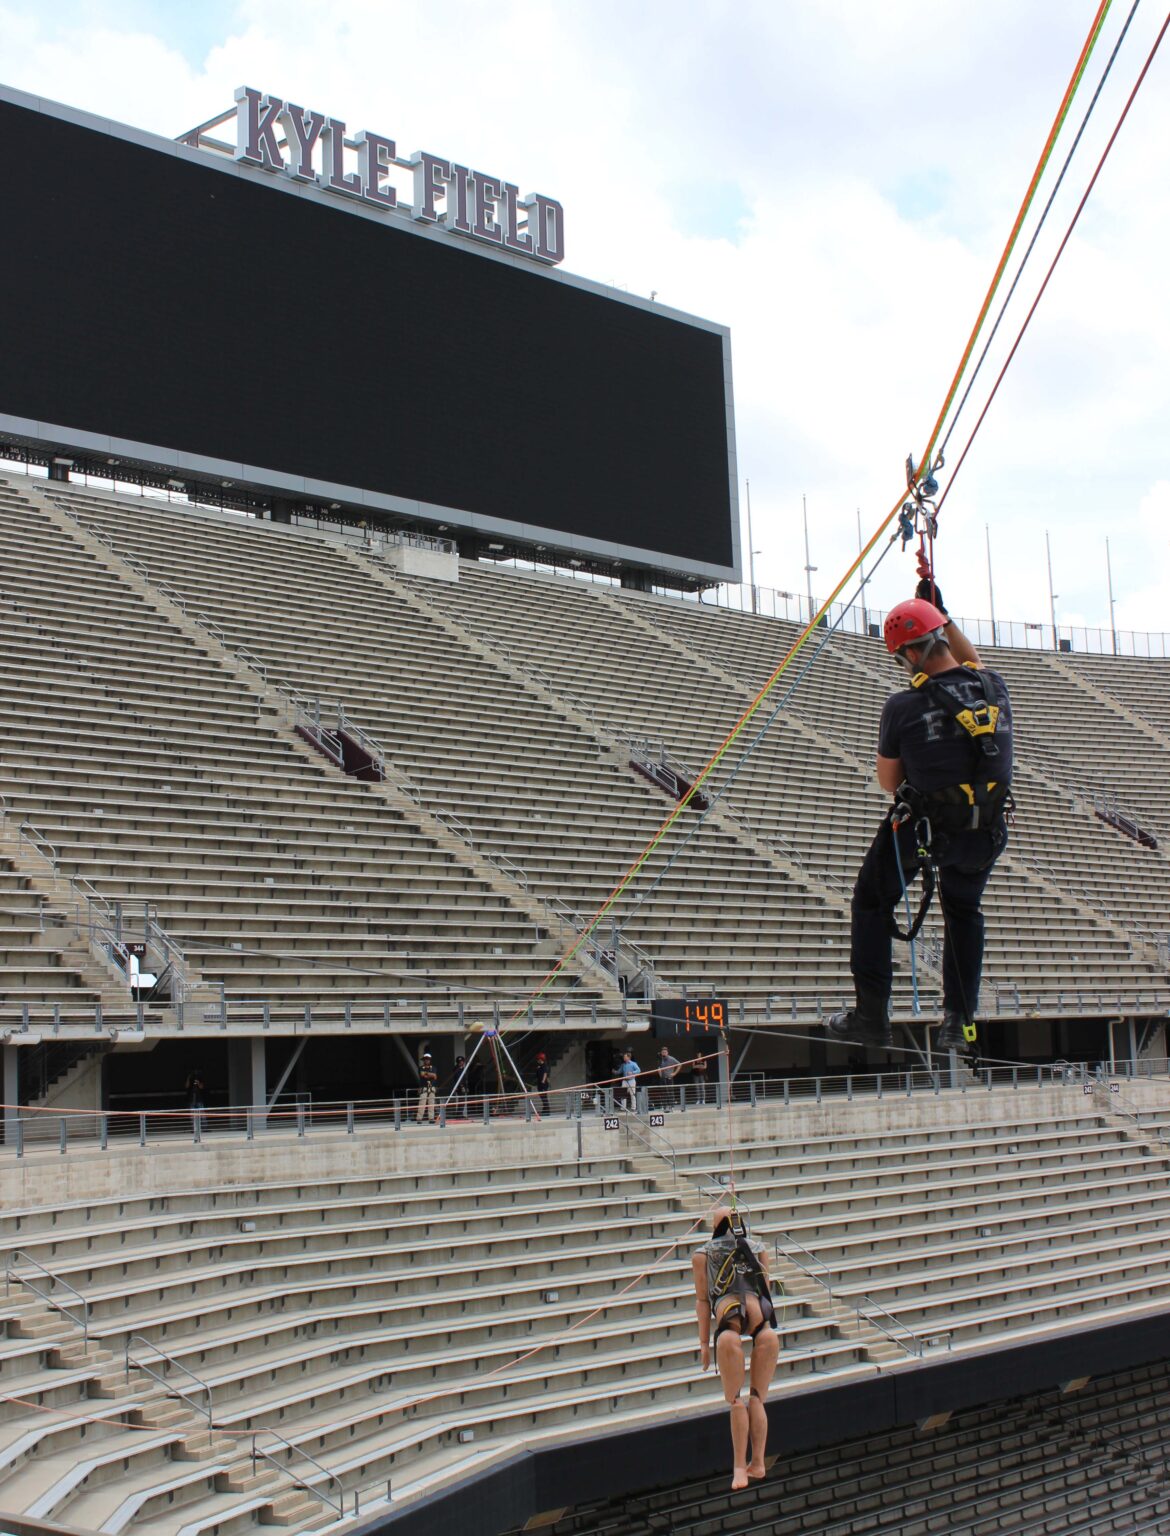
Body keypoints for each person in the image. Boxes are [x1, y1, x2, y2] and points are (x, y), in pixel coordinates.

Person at [828, 572, 1013, 1055]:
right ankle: (958, 1021)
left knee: (871, 901)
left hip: (926, 830)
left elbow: (889, 783)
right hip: (985, 832)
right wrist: (942, 616)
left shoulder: (903, 706)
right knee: (964, 910)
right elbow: (968, 662)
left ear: (910, 655)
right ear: (941, 639)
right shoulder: (994, 688)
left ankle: (872, 1017)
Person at [691, 1206, 781, 1491]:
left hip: (729, 1323)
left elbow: (703, 1301)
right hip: (763, 1327)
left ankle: (740, 1467)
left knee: (736, 1401)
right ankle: (758, 1461)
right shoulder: (756, 1247)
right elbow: (766, 1292)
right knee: (756, 1398)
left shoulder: (703, 1253)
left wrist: (704, 1343)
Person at [416, 1053, 438, 1124]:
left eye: (428, 1059)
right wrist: (430, 1075)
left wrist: (427, 1074)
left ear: (430, 1060)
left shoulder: (433, 1067)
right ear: (423, 1060)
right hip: (424, 1087)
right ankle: (419, 1119)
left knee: (431, 1103)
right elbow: (422, 1075)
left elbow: (435, 1076)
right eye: (425, 1059)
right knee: (422, 1103)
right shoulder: (421, 1067)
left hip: (431, 1087)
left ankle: (431, 1118)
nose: (426, 1061)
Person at [534, 1052, 551, 1116]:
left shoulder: (544, 1066)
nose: (537, 1060)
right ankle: (544, 1110)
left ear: (541, 1059)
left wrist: (543, 1082)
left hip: (543, 1084)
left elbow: (545, 1074)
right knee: (543, 1098)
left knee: (544, 1098)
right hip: (540, 1084)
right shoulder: (539, 1066)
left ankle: (547, 1111)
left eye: (538, 1059)